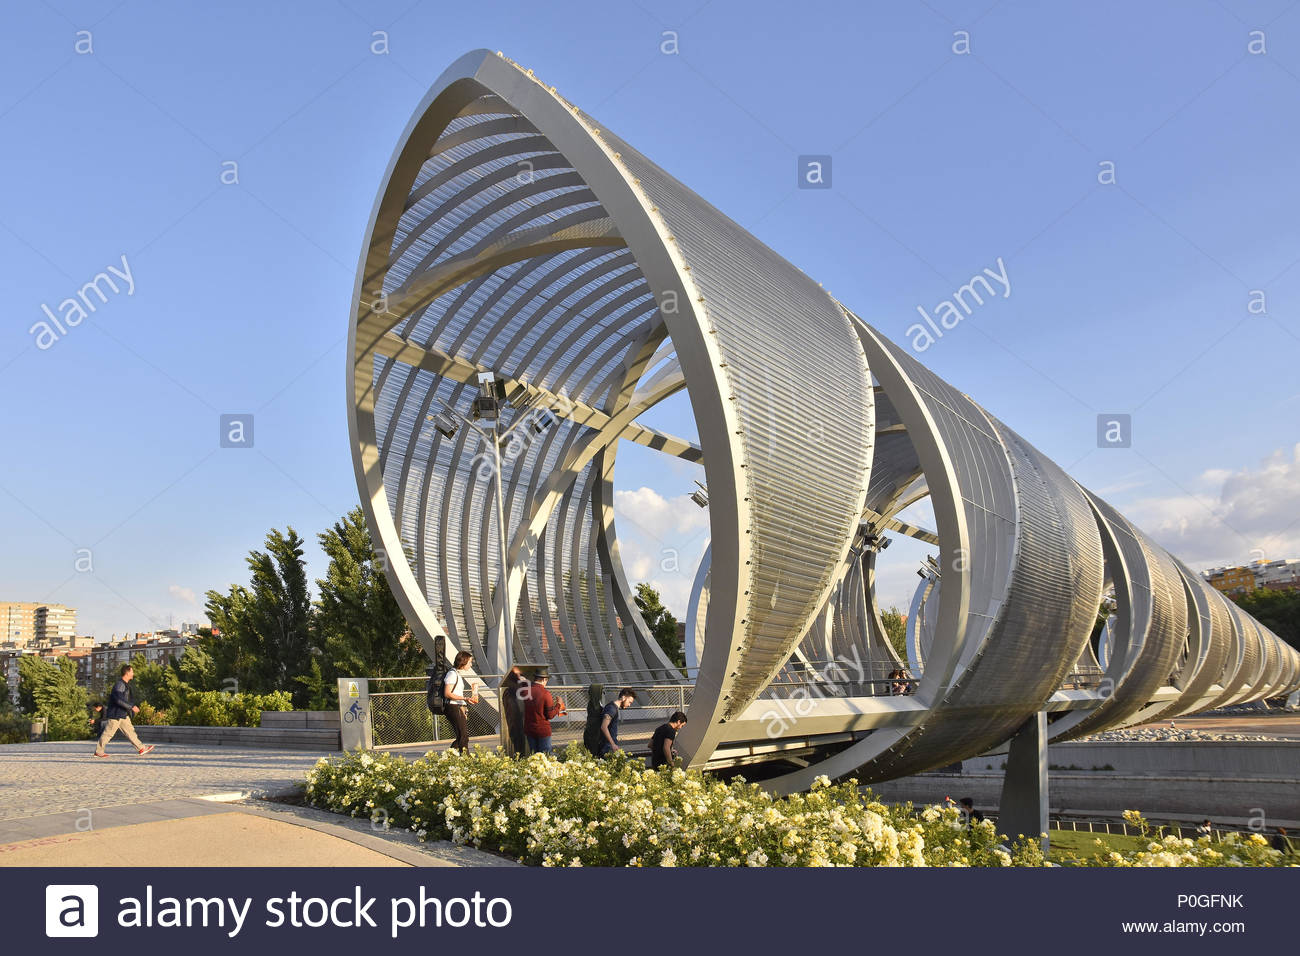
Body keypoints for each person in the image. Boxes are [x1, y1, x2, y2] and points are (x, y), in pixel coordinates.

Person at [94, 664, 155, 757]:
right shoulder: (120, 684)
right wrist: (131, 707)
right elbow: (118, 700)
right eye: (132, 671)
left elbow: (124, 699)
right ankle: (99, 751)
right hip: (116, 714)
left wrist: (130, 707)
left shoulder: (124, 685)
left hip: (122, 713)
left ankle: (141, 748)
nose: (133, 673)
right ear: (127, 673)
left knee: (130, 731)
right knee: (108, 733)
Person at [442, 651, 480, 752]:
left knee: (462, 736)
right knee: (463, 736)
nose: (471, 665)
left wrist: (465, 702)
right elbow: (447, 693)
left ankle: (449, 756)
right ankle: (465, 758)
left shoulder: (456, 674)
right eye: (470, 662)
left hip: (458, 706)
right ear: (463, 662)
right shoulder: (452, 674)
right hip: (453, 706)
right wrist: (464, 699)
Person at [523, 669, 565, 754]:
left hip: (529, 729)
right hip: (542, 730)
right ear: (544, 679)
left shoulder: (525, 691)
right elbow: (550, 715)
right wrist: (559, 704)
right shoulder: (545, 693)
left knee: (534, 756)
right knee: (546, 756)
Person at [500, 665, 529, 757]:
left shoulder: (521, 688)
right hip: (516, 721)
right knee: (518, 738)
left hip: (521, 721)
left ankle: (520, 755)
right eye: (517, 674)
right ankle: (519, 755)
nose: (519, 676)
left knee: (520, 738)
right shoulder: (510, 691)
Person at [598, 687, 636, 756]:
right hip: (607, 746)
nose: (629, 705)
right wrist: (612, 744)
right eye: (629, 702)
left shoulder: (611, 707)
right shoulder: (612, 709)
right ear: (624, 698)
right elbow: (604, 727)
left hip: (608, 745)